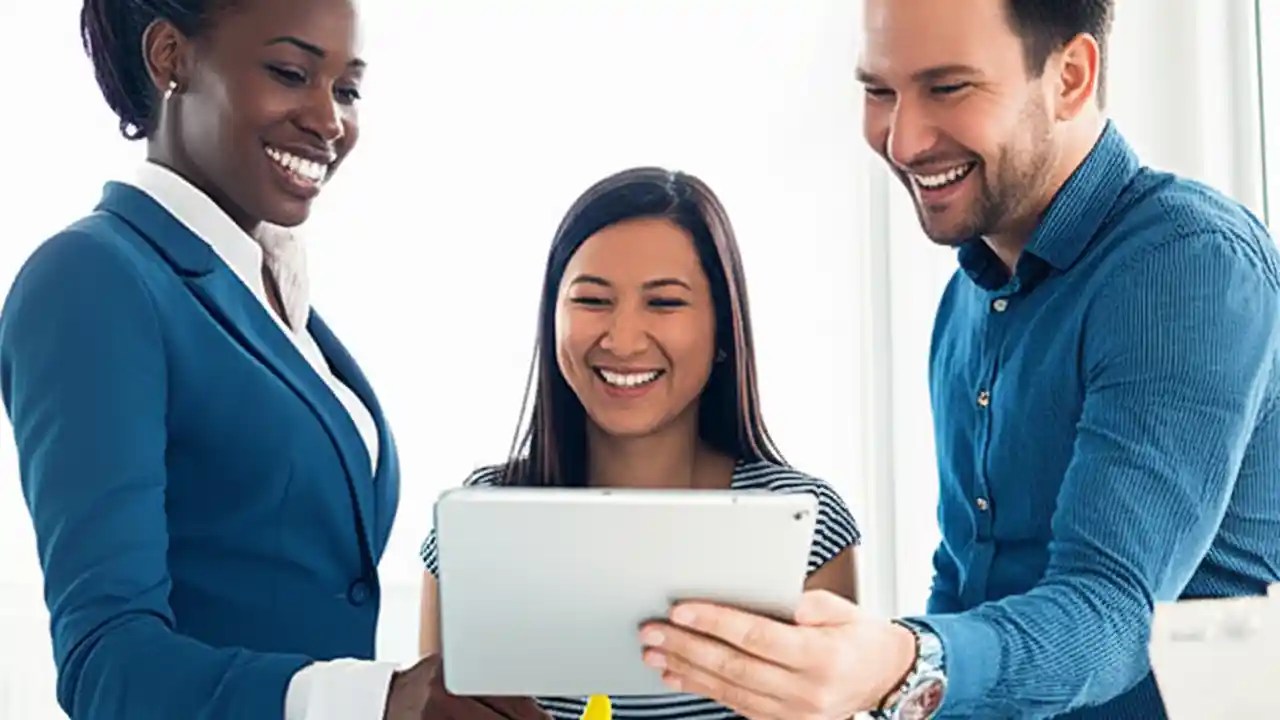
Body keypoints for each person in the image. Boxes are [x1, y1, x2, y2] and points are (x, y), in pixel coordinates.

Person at [636, 0, 1280, 718]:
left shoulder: (1185, 265)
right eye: (879, 90)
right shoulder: (970, 295)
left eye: (948, 88)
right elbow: (968, 580)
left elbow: (1112, 613)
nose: (902, 140)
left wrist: (900, 663)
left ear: (1070, 77)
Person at [0, 1, 544, 719]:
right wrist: (377, 701)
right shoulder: (94, 278)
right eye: (291, 72)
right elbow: (106, 666)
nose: (329, 121)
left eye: (347, 89)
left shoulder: (272, 293)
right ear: (170, 57)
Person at [417, 167, 863, 719]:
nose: (623, 341)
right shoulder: (475, 521)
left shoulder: (806, 527)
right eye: (592, 300)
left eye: (665, 303)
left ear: (723, 328)